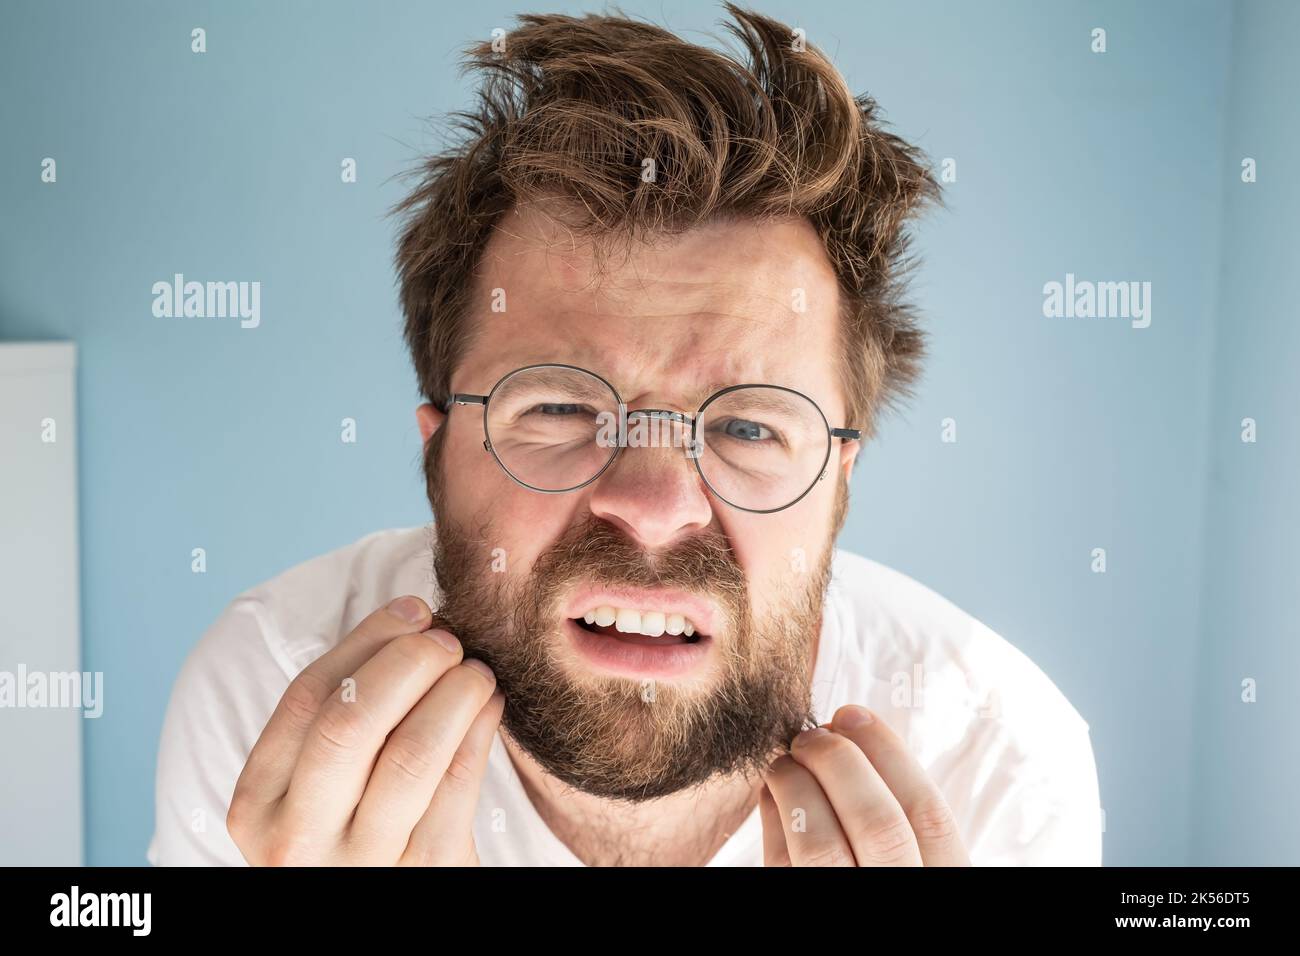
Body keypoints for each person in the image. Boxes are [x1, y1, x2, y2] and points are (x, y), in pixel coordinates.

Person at [149, 4, 1101, 867]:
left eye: (747, 426)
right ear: (437, 448)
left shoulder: (998, 754)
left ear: (839, 479)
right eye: (560, 411)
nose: (653, 508)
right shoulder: (272, 693)